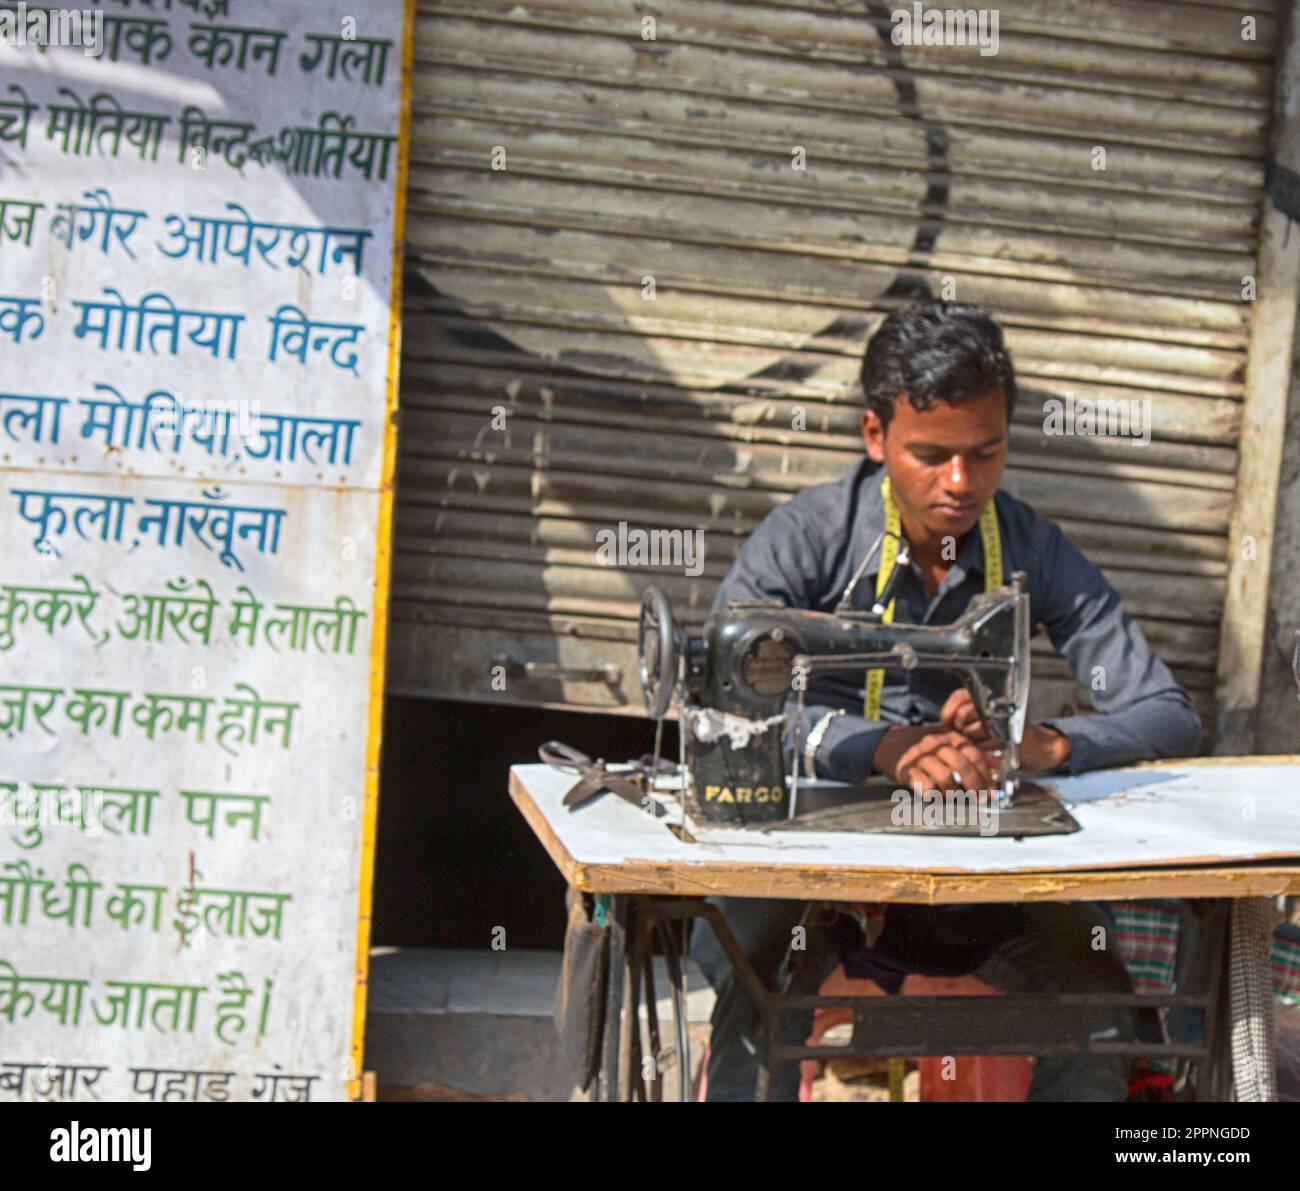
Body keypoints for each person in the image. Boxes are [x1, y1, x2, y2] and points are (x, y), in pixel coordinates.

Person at [688, 300, 1202, 1102]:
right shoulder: (806, 540)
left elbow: (1166, 711)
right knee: (750, 1011)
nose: (961, 484)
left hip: (979, 884)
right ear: (874, 435)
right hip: (820, 880)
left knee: (1104, 1017)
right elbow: (726, 694)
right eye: (930, 455)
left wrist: (1050, 745)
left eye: (985, 453)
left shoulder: (1031, 548)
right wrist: (878, 748)